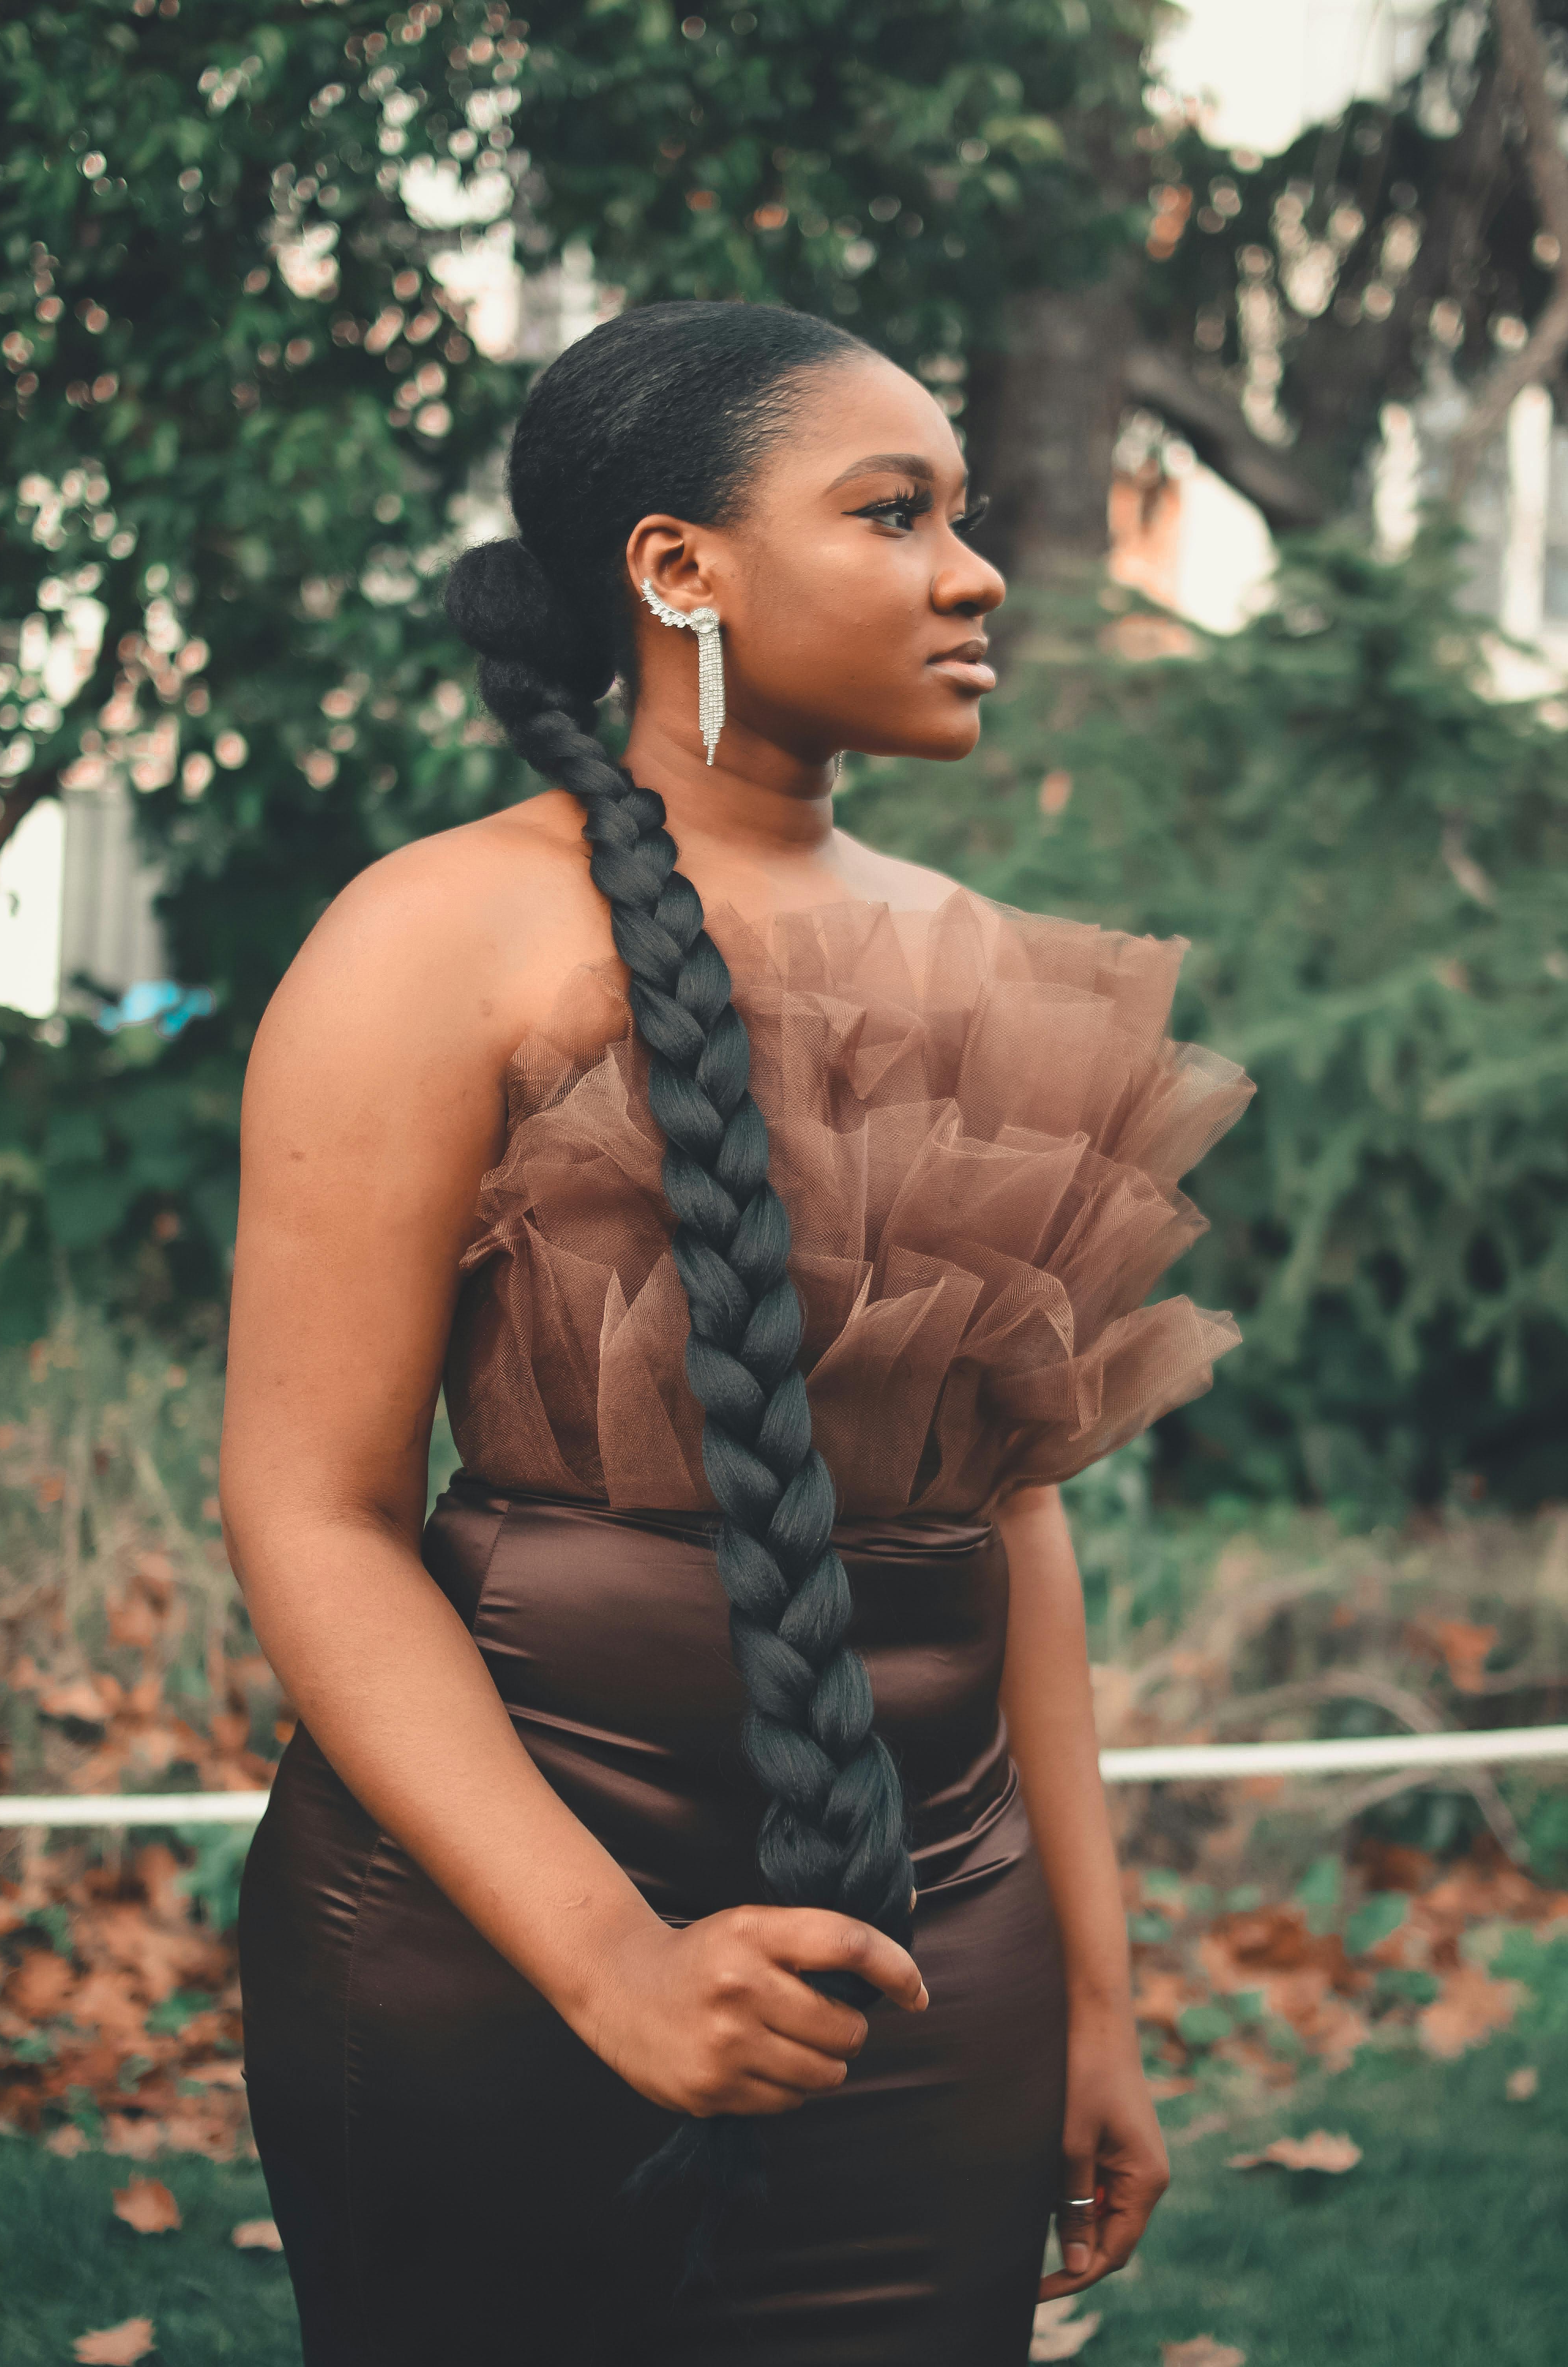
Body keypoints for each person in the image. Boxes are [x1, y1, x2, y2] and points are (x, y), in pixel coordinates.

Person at [226, 300, 1252, 2367]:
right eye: (894, 513)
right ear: (676, 567)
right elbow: (313, 1510)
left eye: (963, 514)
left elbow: (1012, 1523)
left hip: (940, 1963)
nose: (974, 575)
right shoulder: (433, 941)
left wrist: (1095, 2000)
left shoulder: (975, 961)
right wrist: (613, 1964)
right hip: (498, 1946)